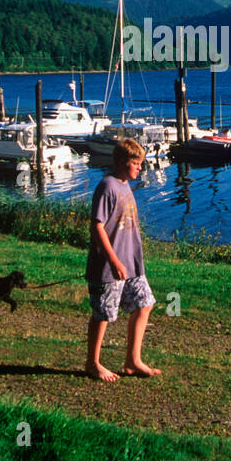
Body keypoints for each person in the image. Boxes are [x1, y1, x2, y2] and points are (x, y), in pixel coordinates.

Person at [85, 136, 161, 381]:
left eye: (141, 163)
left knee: (145, 303)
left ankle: (132, 360)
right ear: (121, 162)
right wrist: (115, 261)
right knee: (104, 314)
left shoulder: (125, 185)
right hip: (109, 266)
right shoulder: (107, 186)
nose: (140, 167)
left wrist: (131, 259)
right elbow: (97, 227)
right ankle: (93, 363)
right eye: (136, 163)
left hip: (131, 264)